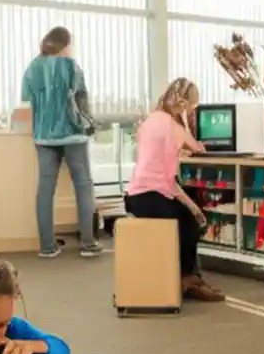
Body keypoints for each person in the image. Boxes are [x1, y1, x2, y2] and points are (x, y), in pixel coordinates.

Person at [124, 78, 224, 302]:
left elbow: (161, 171)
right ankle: (188, 280)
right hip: (152, 195)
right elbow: (198, 147)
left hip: (134, 196)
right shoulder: (174, 127)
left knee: (189, 212)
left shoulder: (150, 121)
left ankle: (190, 277)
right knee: (192, 221)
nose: (192, 110)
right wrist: (193, 207)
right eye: (192, 106)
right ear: (184, 104)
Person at [20, 26, 100, 259]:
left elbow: (26, 103)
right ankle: (88, 243)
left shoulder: (32, 69)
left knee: (45, 189)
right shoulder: (71, 66)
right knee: (83, 185)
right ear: (65, 44)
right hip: (73, 134)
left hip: (43, 136)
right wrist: (90, 124)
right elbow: (81, 99)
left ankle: (47, 246)